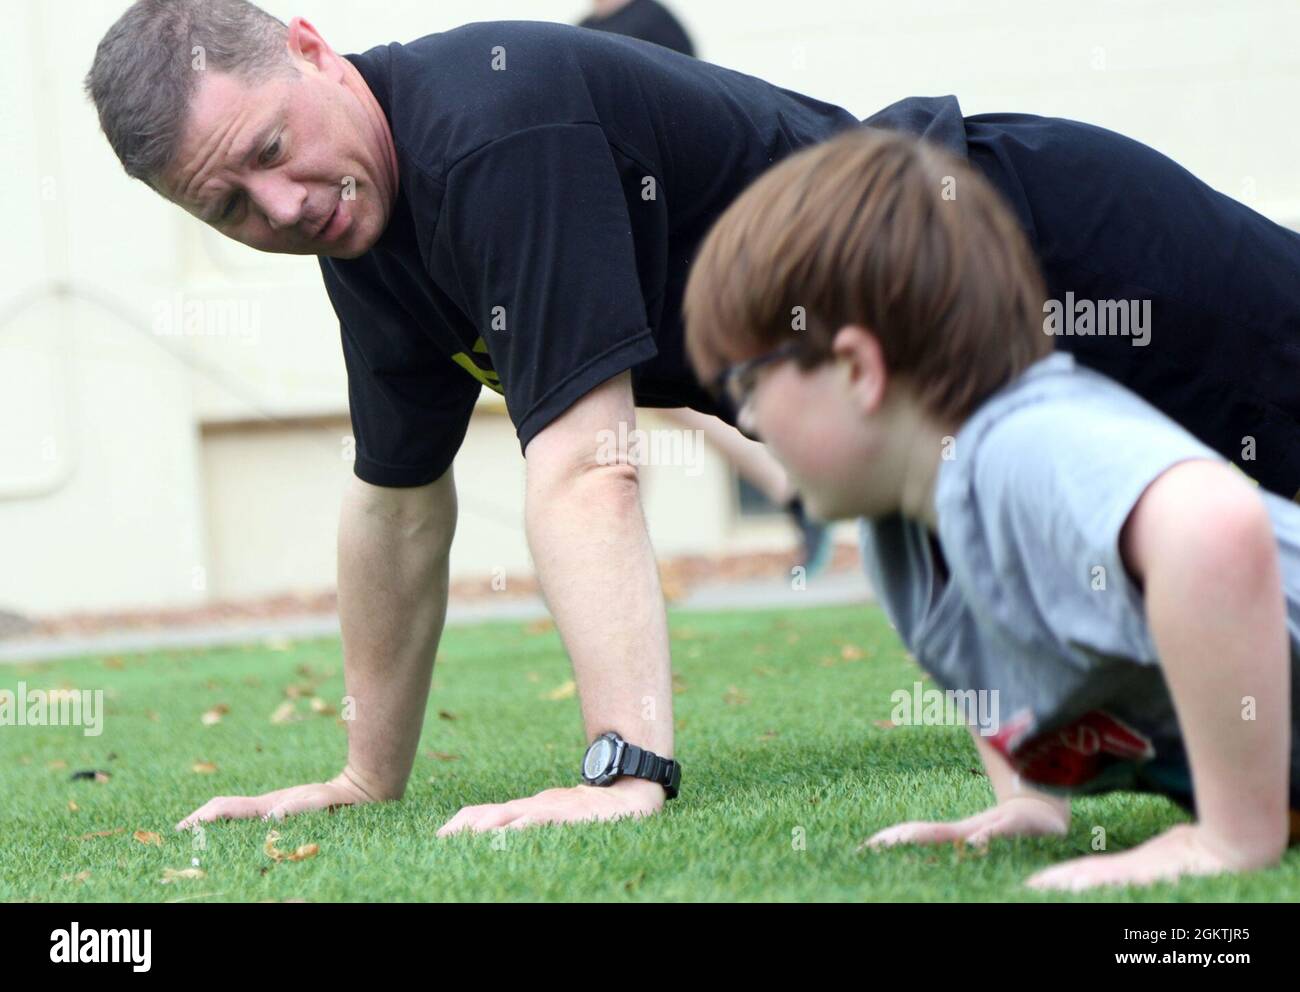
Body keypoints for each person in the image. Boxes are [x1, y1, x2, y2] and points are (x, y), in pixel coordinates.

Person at [83, 3, 1299, 839]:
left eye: (273, 152)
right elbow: (398, 504)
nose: (281, 207)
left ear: (311, 48)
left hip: (1050, 249)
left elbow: (584, 463)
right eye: (229, 206)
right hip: (936, 399)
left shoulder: (488, 126)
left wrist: (625, 767)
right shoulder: (363, 230)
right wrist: (364, 772)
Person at [683, 127, 1300, 890]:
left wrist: (1233, 840)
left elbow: (1218, 526)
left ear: (855, 368)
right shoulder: (899, 535)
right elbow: (1002, 657)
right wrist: (1029, 804)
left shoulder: (1019, 447)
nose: (745, 422)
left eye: (746, 384)